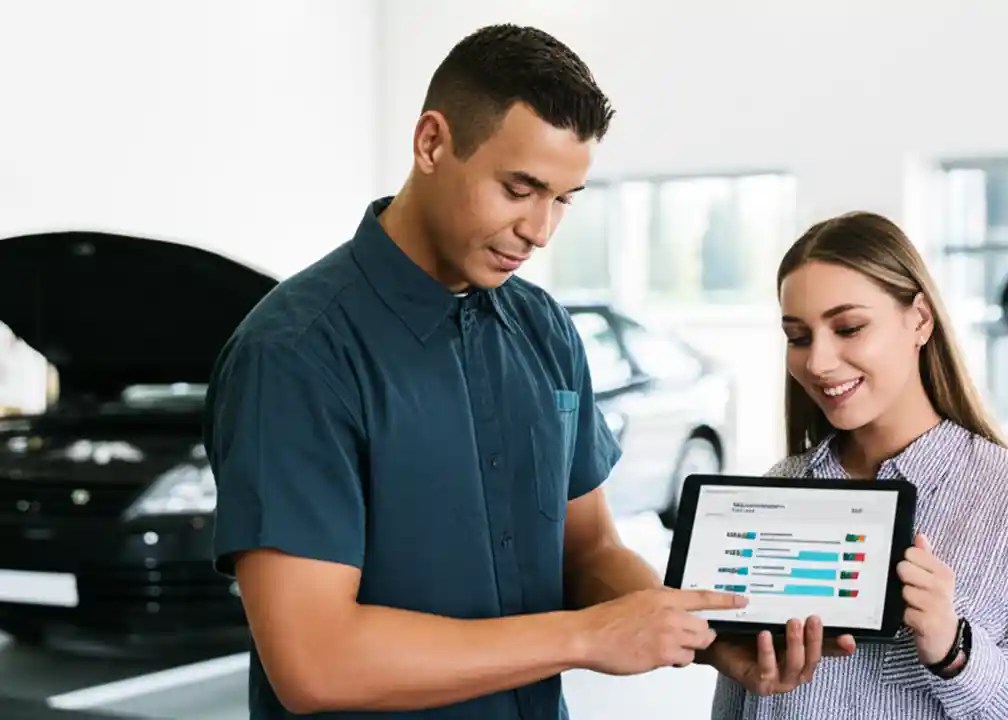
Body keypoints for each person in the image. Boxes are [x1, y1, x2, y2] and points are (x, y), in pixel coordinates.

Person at [203, 24, 748, 720]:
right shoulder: (294, 356)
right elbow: (317, 664)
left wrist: (700, 631)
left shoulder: (546, 330)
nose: (541, 230)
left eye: (563, 198)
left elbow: (590, 550)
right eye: (520, 188)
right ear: (432, 142)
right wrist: (583, 636)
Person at [701, 212, 1008, 719]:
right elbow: (736, 704)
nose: (817, 362)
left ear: (920, 320)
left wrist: (958, 654)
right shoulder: (780, 487)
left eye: (849, 327)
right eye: (798, 336)